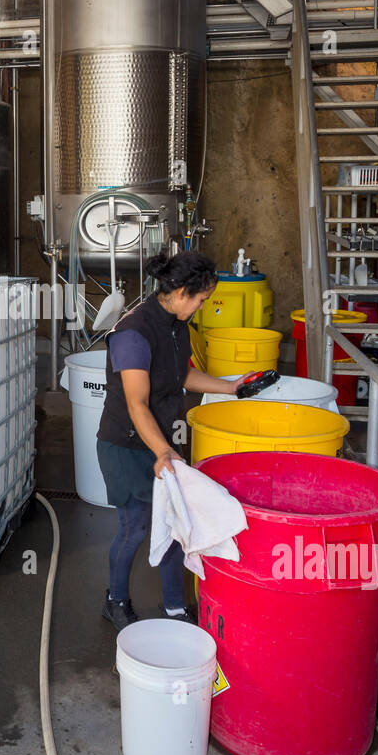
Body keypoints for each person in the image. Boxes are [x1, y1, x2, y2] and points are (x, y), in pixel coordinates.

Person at [96, 250, 248, 630]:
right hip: (126, 446)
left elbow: (178, 376)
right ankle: (115, 600)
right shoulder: (133, 334)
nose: (202, 306)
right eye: (200, 299)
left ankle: (176, 609)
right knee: (135, 527)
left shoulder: (177, 324)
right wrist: (163, 452)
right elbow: (137, 404)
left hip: (160, 441)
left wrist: (232, 387)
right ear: (181, 291)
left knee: (176, 523)